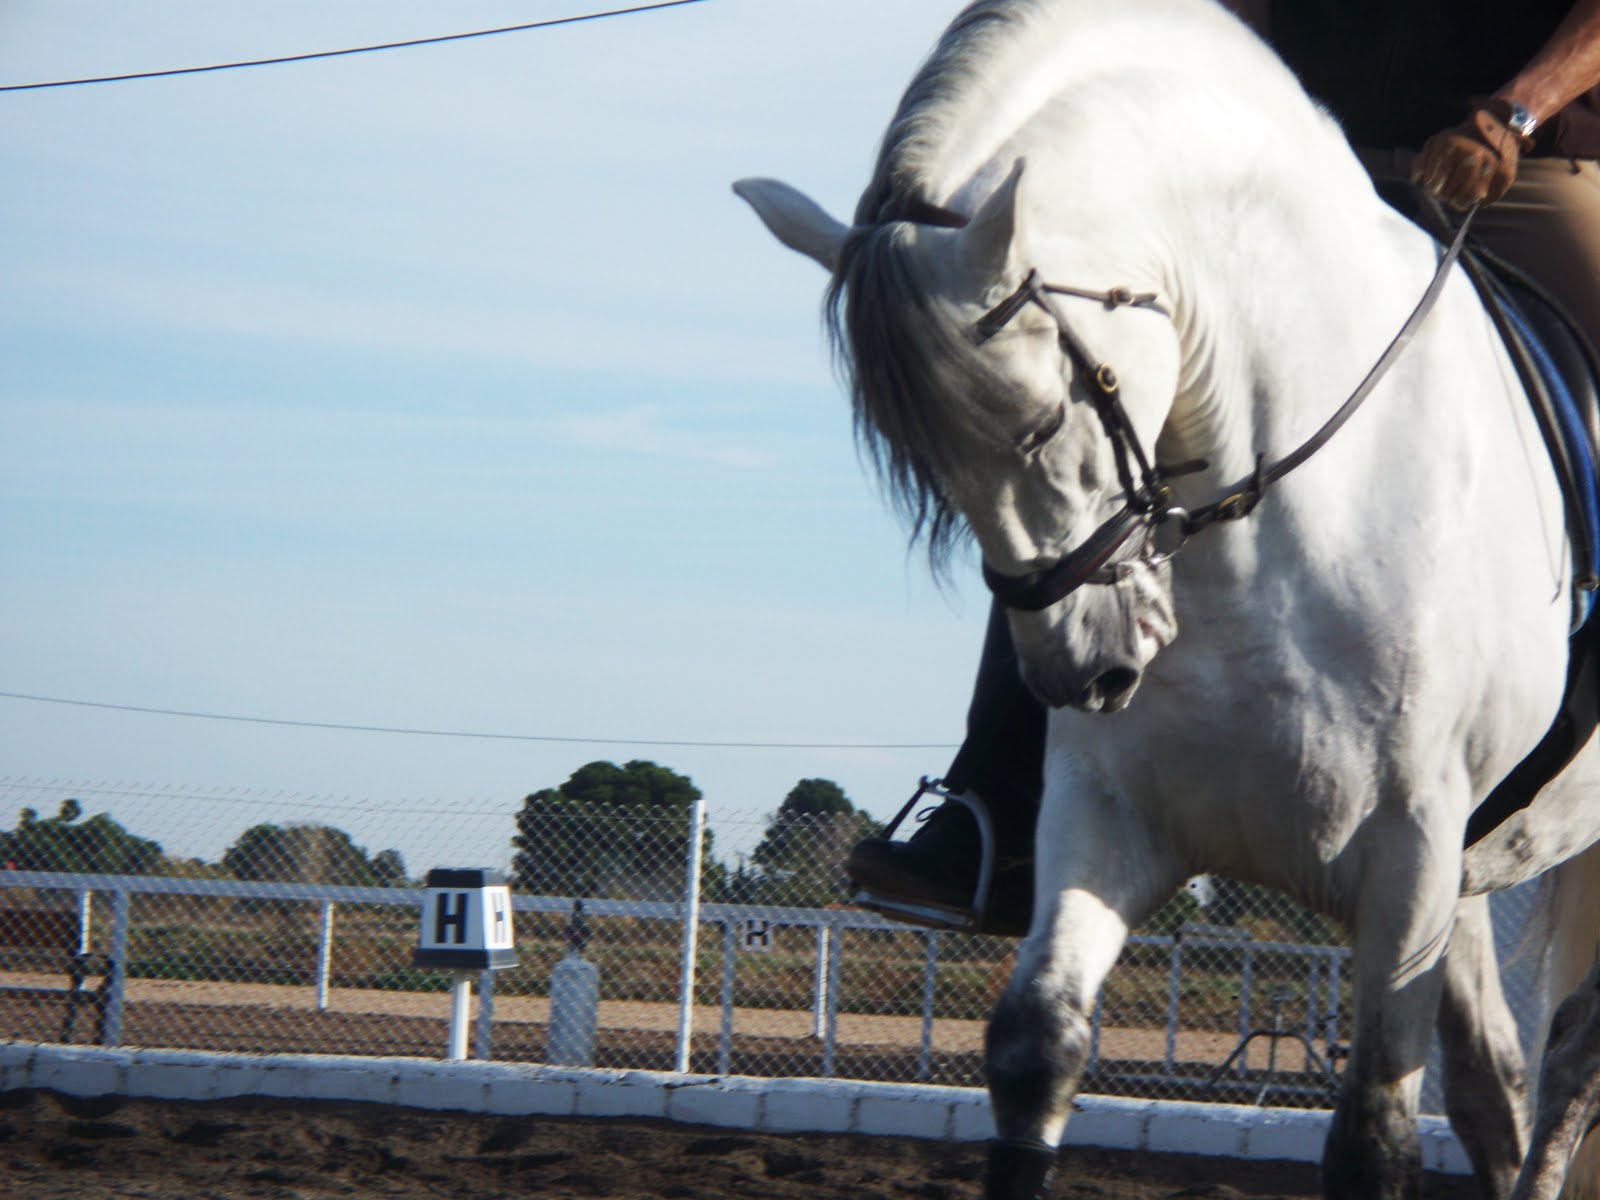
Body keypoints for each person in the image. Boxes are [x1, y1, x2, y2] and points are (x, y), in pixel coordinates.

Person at [845, 0, 1600, 937]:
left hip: (1518, 170)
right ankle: (993, 808)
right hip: (1306, 182)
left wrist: (1517, 112)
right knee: (1079, 414)